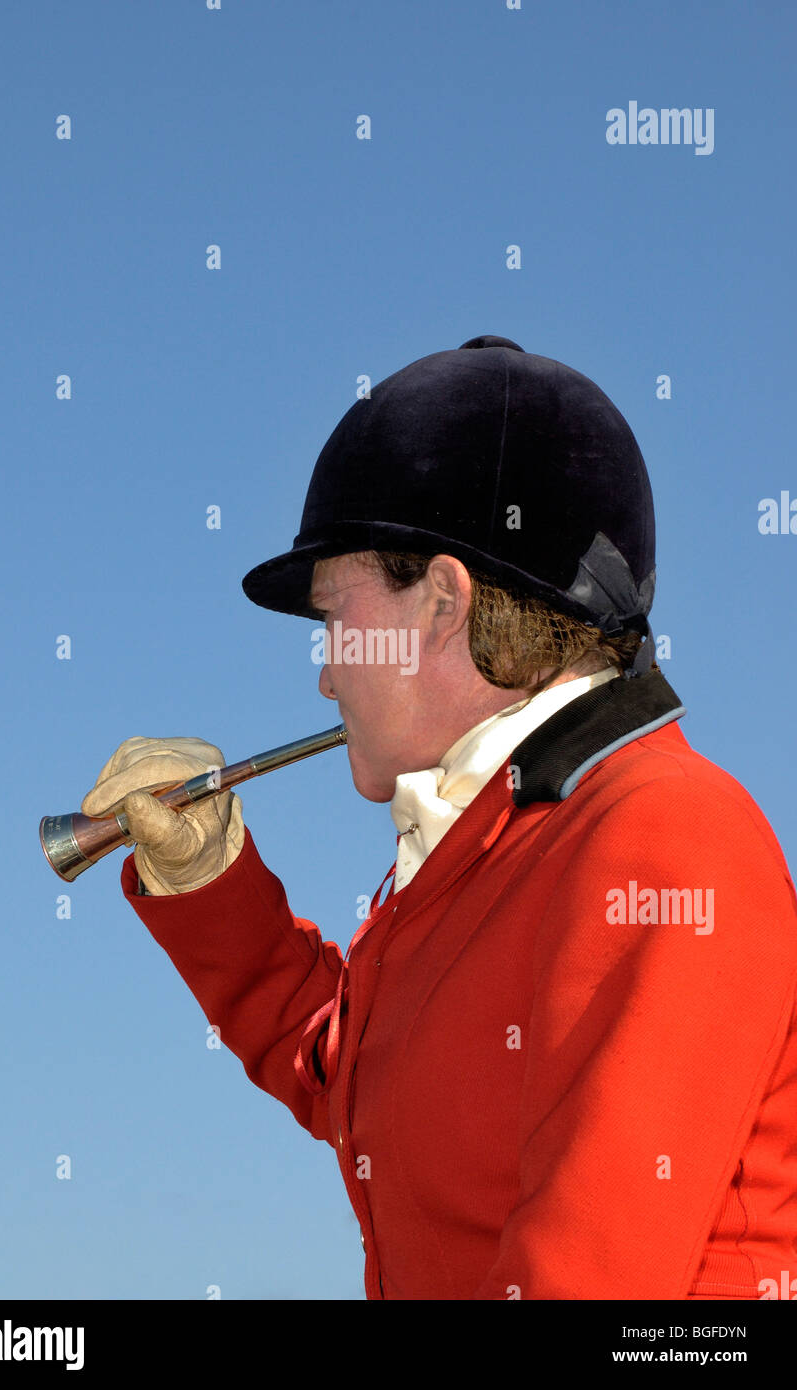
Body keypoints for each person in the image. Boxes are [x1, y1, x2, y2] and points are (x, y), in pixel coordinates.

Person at [82, 335, 797, 1300]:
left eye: (336, 619)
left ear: (442, 603)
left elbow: (590, 1283)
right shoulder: (496, 846)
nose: (328, 673)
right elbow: (357, 1077)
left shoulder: (661, 837)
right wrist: (210, 882)